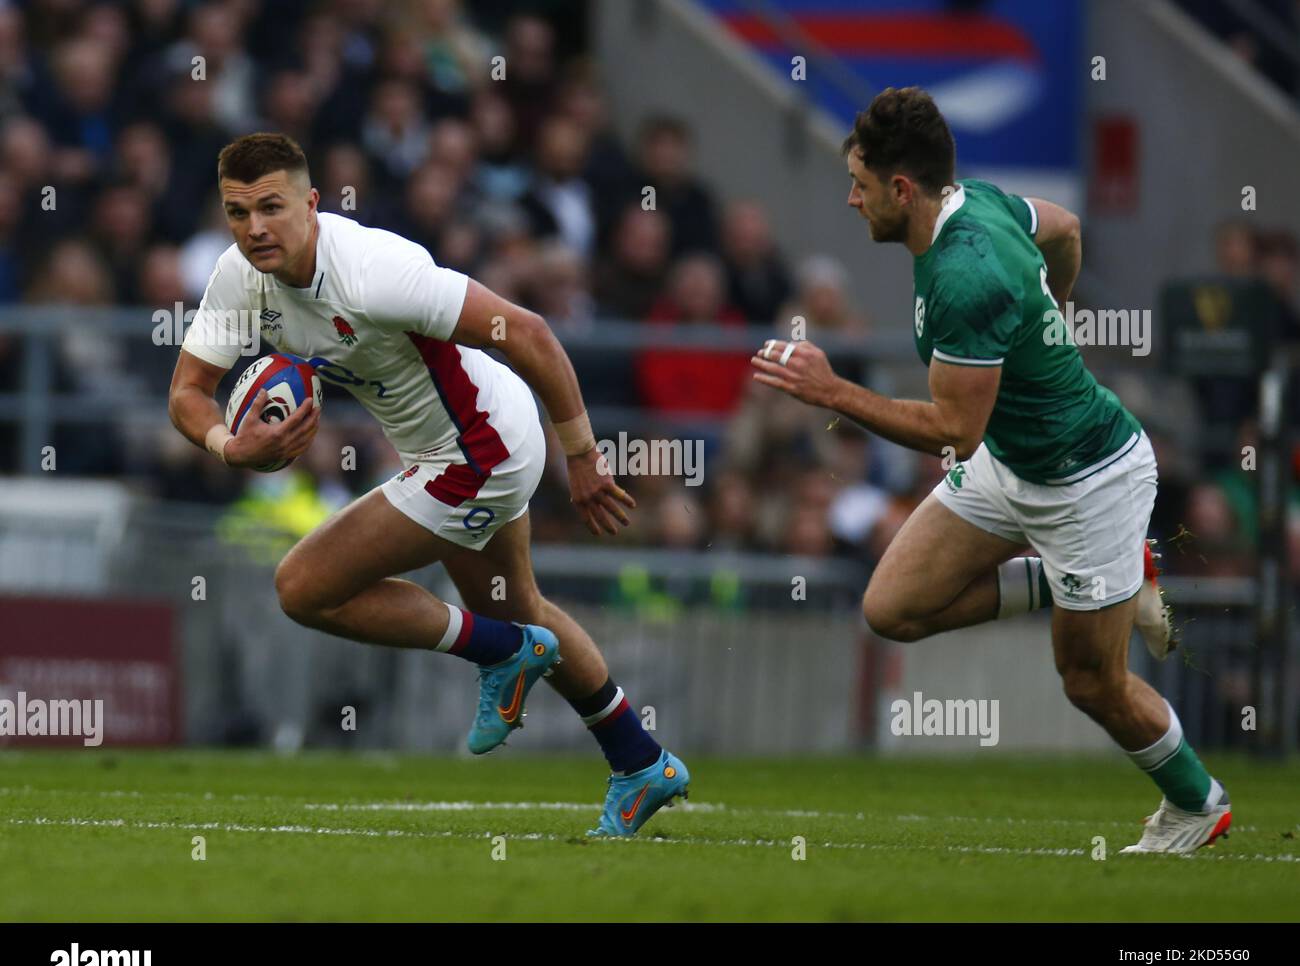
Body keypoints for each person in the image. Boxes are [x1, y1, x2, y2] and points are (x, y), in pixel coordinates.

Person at [167, 132, 688, 836]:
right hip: (447, 448)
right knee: (520, 605)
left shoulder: (373, 271)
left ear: (312, 203)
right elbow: (188, 392)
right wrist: (232, 445)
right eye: (237, 212)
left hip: (483, 448)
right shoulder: (240, 276)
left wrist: (585, 455)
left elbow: (528, 331)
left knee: (303, 586)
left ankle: (500, 651)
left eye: (271, 207)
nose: (255, 227)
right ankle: (641, 760)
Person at [751, 88, 1229, 855]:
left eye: (860, 184)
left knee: (1090, 682)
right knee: (891, 607)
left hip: (1089, 482)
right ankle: (1083, 579)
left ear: (902, 190)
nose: (850, 197)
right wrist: (1053, 314)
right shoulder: (981, 204)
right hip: (1015, 462)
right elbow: (1066, 230)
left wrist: (831, 389)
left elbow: (953, 430)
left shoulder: (964, 276)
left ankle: (1198, 801)